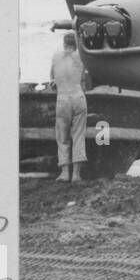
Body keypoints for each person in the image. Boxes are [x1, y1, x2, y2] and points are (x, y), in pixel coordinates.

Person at [50, 32, 90, 183]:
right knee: (78, 135)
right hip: (78, 97)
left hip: (62, 99)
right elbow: (86, 79)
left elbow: (52, 80)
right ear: (76, 44)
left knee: (63, 137)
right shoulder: (82, 56)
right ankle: (76, 175)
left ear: (63, 43)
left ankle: (65, 173)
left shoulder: (56, 57)